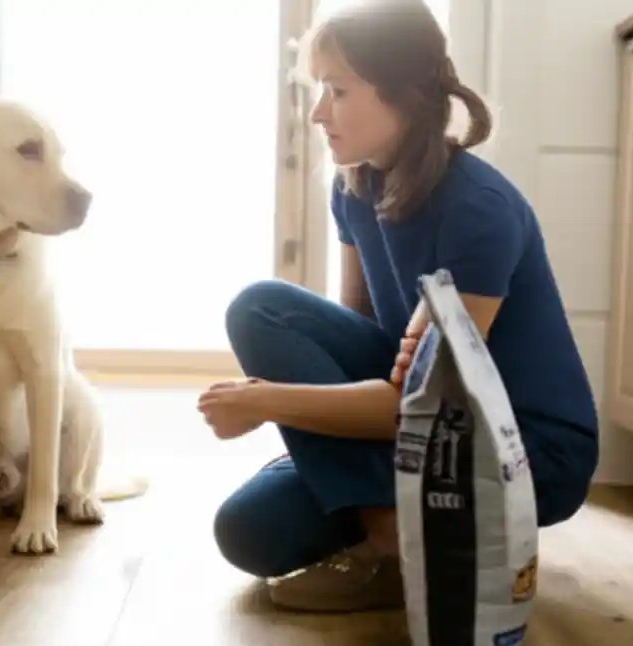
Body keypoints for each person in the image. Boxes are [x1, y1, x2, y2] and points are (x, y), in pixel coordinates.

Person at [197, 0, 598, 613]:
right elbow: (355, 354)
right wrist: (312, 424)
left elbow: (428, 404)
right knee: (248, 530)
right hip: (419, 420)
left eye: (337, 91)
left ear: (403, 94)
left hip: (522, 446)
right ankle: (423, 532)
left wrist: (265, 402)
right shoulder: (354, 187)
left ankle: (391, 543)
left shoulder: (478, 210)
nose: (318, 113)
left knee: (261, 310)